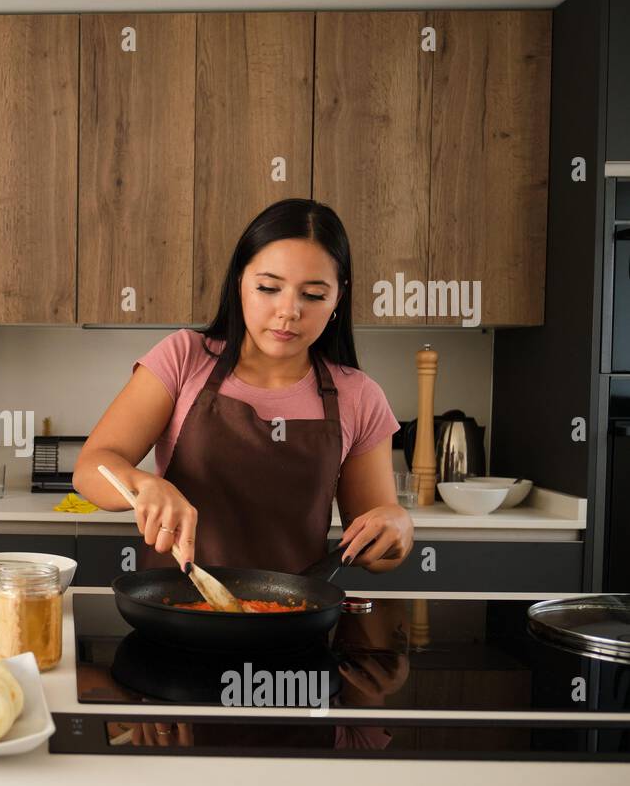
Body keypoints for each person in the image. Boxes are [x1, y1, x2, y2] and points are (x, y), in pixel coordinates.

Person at [74, 198, 413, 575]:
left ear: (338, 297)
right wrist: (142, 486)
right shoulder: (184, 358)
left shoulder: (359, 396)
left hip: (293, 620)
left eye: (313, 295)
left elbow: (376, 551)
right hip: (174, 615)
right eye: (269, 288)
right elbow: (91, 467)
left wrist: (398, 528)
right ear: (240, 282)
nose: (289, 311)